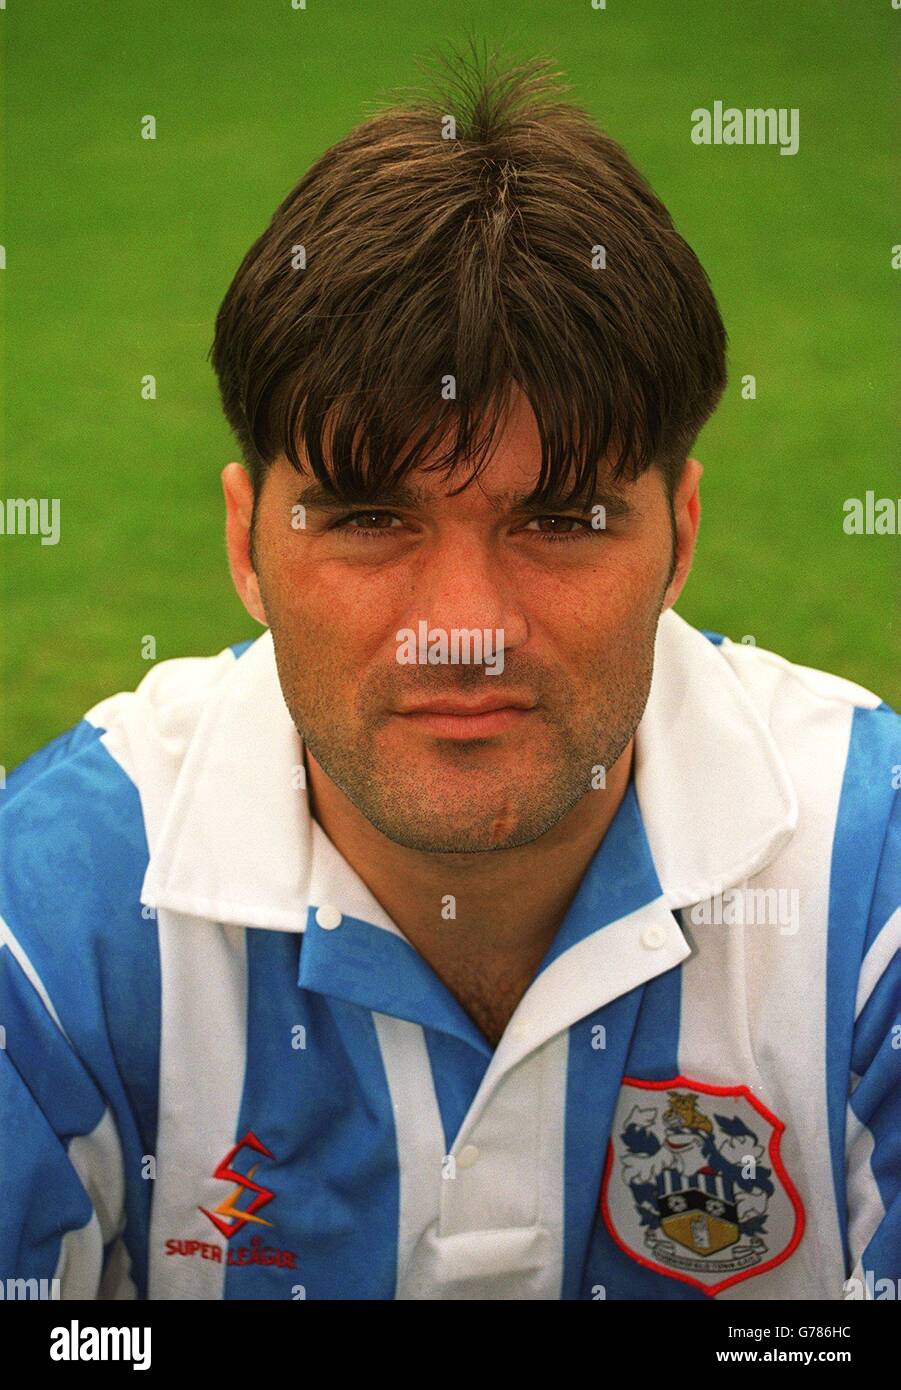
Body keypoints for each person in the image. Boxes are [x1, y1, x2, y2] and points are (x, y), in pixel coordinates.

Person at [1, 54, 896, 1302]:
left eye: (562, 518)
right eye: (368, 519)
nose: (461, 629)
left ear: (681, 538)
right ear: (243, 544)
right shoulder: (45, 922)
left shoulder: (873, 897)